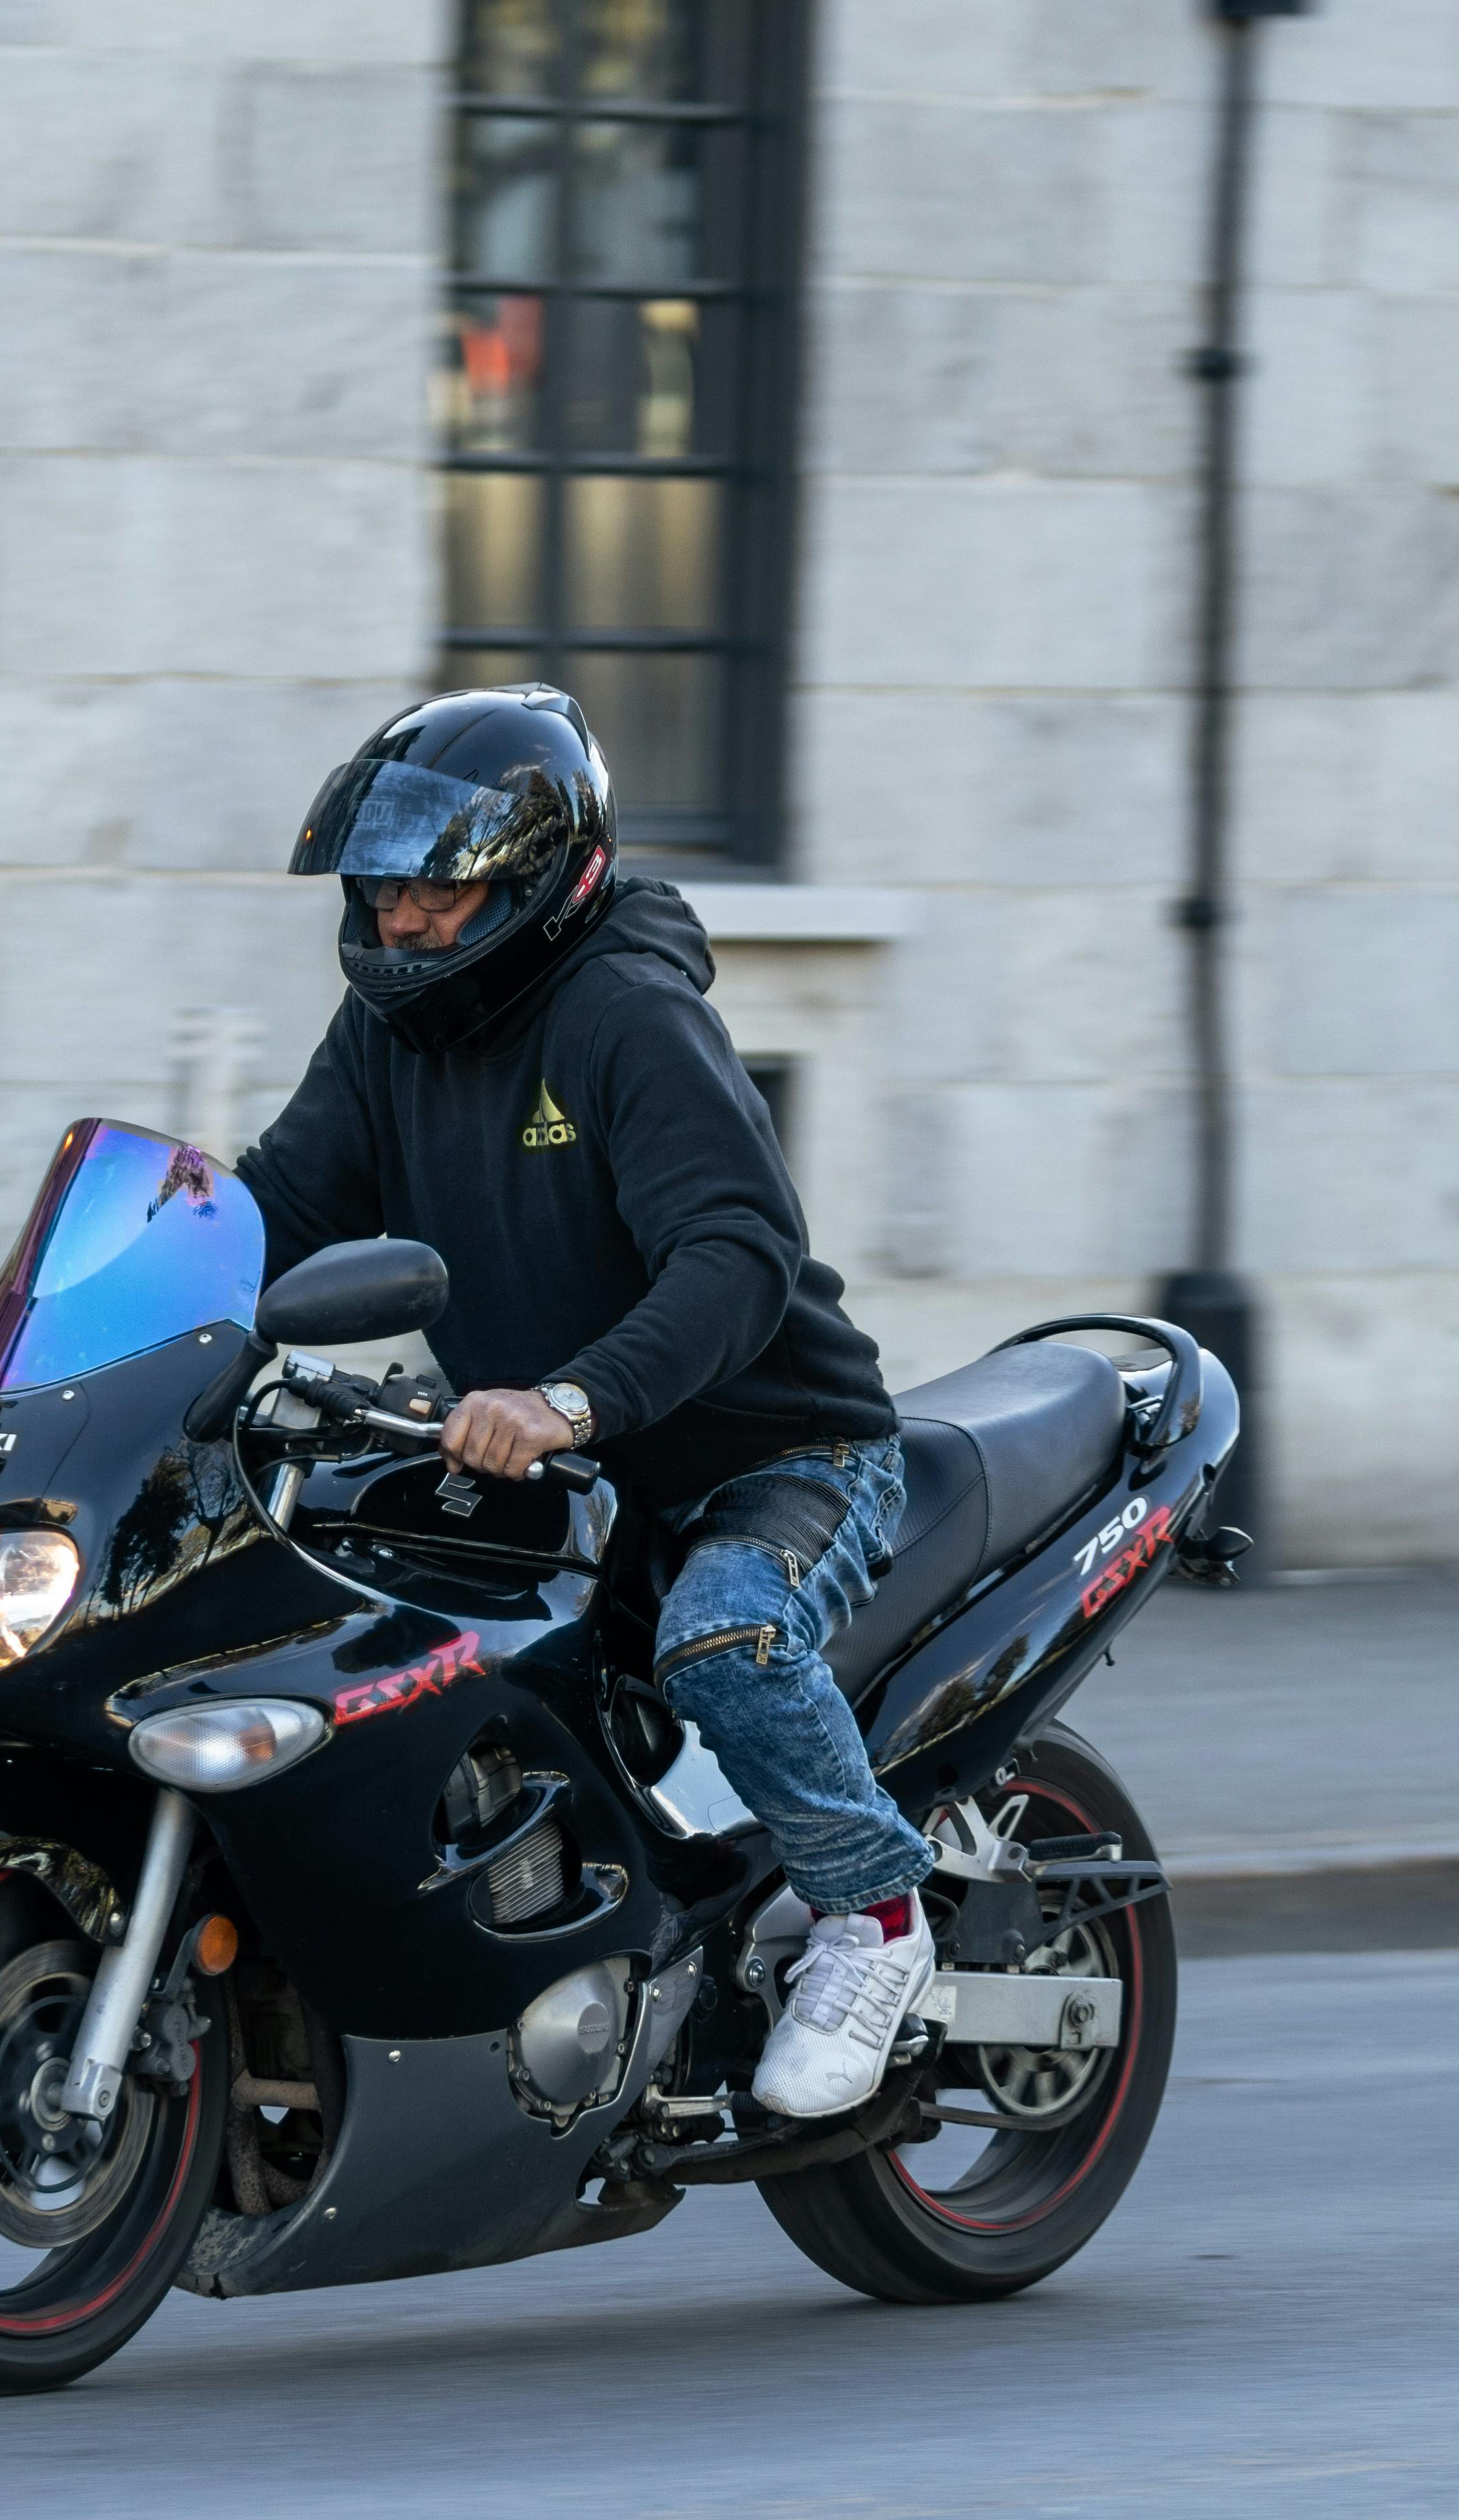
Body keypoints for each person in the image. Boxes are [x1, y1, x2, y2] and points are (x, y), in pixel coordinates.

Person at [237, 684, 935, 2118]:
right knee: (384, 1636)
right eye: (378, 893)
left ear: (540, 882)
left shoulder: (622, 1008)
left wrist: (569, 1396)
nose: (399, 924)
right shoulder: (391, 1031)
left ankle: (874, 1921)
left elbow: (736, 1252)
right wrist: (78, 1315)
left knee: (725, 1634)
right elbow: (275, 1203)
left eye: (437, 891)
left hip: (770, 1449)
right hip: (570, 1474)